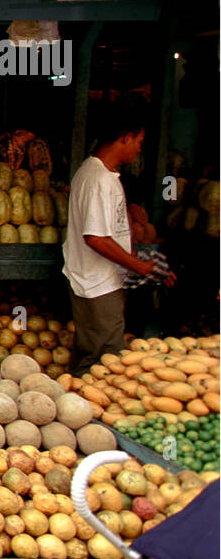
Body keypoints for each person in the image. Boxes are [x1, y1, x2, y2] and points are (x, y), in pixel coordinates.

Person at [62, 106, 176, 375]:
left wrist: (141, 262)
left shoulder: (101, 175)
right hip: (96, 283)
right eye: (138, 142)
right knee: (105, 360)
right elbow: (96, 238)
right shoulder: (98, 178)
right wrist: (138, 266)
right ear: (125, 136)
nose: (139, 148)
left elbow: (107, 233)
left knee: (90, 353)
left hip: (100, 281)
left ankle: (74, 403)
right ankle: (85, 412)